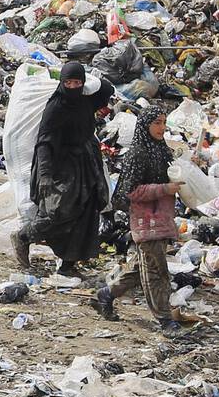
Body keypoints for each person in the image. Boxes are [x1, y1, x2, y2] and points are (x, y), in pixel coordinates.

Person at [15, 61, 114, 275]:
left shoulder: (86, 100)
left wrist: (91, 80)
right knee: (58, 210)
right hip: (60, 163)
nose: (72, 87)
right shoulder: (56, 107)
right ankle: (24, 236)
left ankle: (69, 264)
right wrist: (45, 176)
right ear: (61, 83)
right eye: (68, 82)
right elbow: (44, 141)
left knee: (87, 210)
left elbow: (107, 89)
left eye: (77, 82)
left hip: (86, 162)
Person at [93, 107, 181, 332]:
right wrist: (164, 188)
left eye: (164, 122)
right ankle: (164, 319)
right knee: (156, 271)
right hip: (145, 218)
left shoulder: (160, 149)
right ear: (145, 125)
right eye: (157, 123)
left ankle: (106, 294)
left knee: (141, 266)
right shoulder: (138, 153)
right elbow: (131, 191)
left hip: (161, 215)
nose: (162, 128)